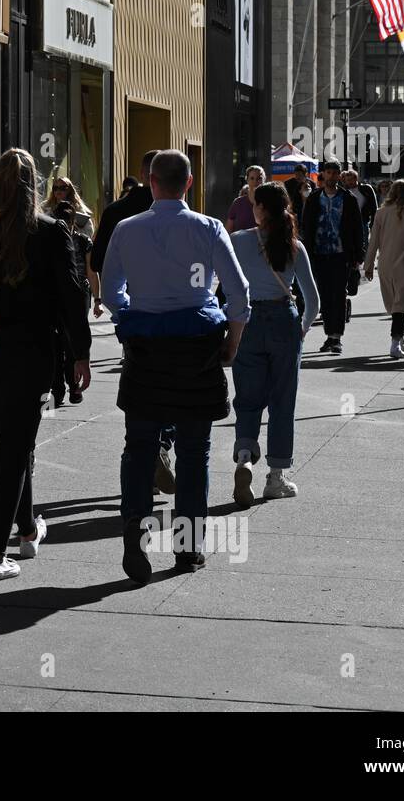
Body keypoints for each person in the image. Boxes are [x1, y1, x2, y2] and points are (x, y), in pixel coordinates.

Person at [103, 150, 250, 582]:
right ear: (189, 183)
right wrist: (231, 343)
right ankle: (188, 548)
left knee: (139, 445)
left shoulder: (127, 229)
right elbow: (239, 296)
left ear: (150, 181)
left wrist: (137, 312)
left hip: (147, 352)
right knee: (192, 450)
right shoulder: (208, 229)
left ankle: (135, 525)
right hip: (195, 350)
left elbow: (112, 291)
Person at [0, 149, 91, 581]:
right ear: (33, 182)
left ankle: (29, 529)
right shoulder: (51, 231)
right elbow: (72, 297)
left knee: (15, 442)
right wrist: (80, 353)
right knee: (15, 448)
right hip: (30, 351)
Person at [91, 150, 177, 495]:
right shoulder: (188, 219)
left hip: (136, 315)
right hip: (173, 317)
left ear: (143, 173)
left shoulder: (117, 212)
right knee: (172, 386)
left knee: (139, 383)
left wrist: (123, 310)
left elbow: (97, 261)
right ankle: (163, 444)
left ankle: (143, 450)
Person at [230, 182, 318, 503]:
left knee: (248, 397)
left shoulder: (238, 241)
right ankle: (276, 476)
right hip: (284, 320)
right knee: (283, 401)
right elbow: (313, 300)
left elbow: (226, 288)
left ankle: (243, 457)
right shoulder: (295, 247)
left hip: (249, 321)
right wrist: (302, 328)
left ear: (260, 209)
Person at [300, 161, 363, 355]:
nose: (332, 176)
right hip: (318, 253)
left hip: (340, 254)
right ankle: (329, 335)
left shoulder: (348, 199)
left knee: (339, 295)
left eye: (336, 173)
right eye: (329, 172)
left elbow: (357, 228)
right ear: (323, 175)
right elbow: (306, 225)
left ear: (340, 176)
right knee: (324, 295)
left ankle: (336, 337)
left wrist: (357, 255)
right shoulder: (314, 198)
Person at [363, 181, 404, 360]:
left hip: (386, 264)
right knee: (402, 304)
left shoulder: (381, 213)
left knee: (397, 304)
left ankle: (401, 338)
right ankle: (395, 340)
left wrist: (368, 266)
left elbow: (373, 242)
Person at [49, 200, 97, 406]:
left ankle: (69, 387)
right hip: (65, 295)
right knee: (61, 343)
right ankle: (62, 388)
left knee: (66, 343)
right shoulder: (50, 239)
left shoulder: (83, 240)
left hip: (72, 294)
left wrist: (98, 298)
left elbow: (91, 271)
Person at [341, 168, 378, 252]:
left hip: (363, 221)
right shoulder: (345, 191)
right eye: (347, 180)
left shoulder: (366, 189)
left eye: (351, 179)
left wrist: (373, 223)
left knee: (364, 245)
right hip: (349, 222)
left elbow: (374, 207)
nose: (349, 182)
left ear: (356, 178)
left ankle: (366, 262)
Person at [225, 166, 266, 233]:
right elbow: (228, 230)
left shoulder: (269, 202)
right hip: (240, 242)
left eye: (259, 178)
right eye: (252, 178)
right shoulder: (238, 203)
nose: (255, 181)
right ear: (247, 180)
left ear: (264, 180)